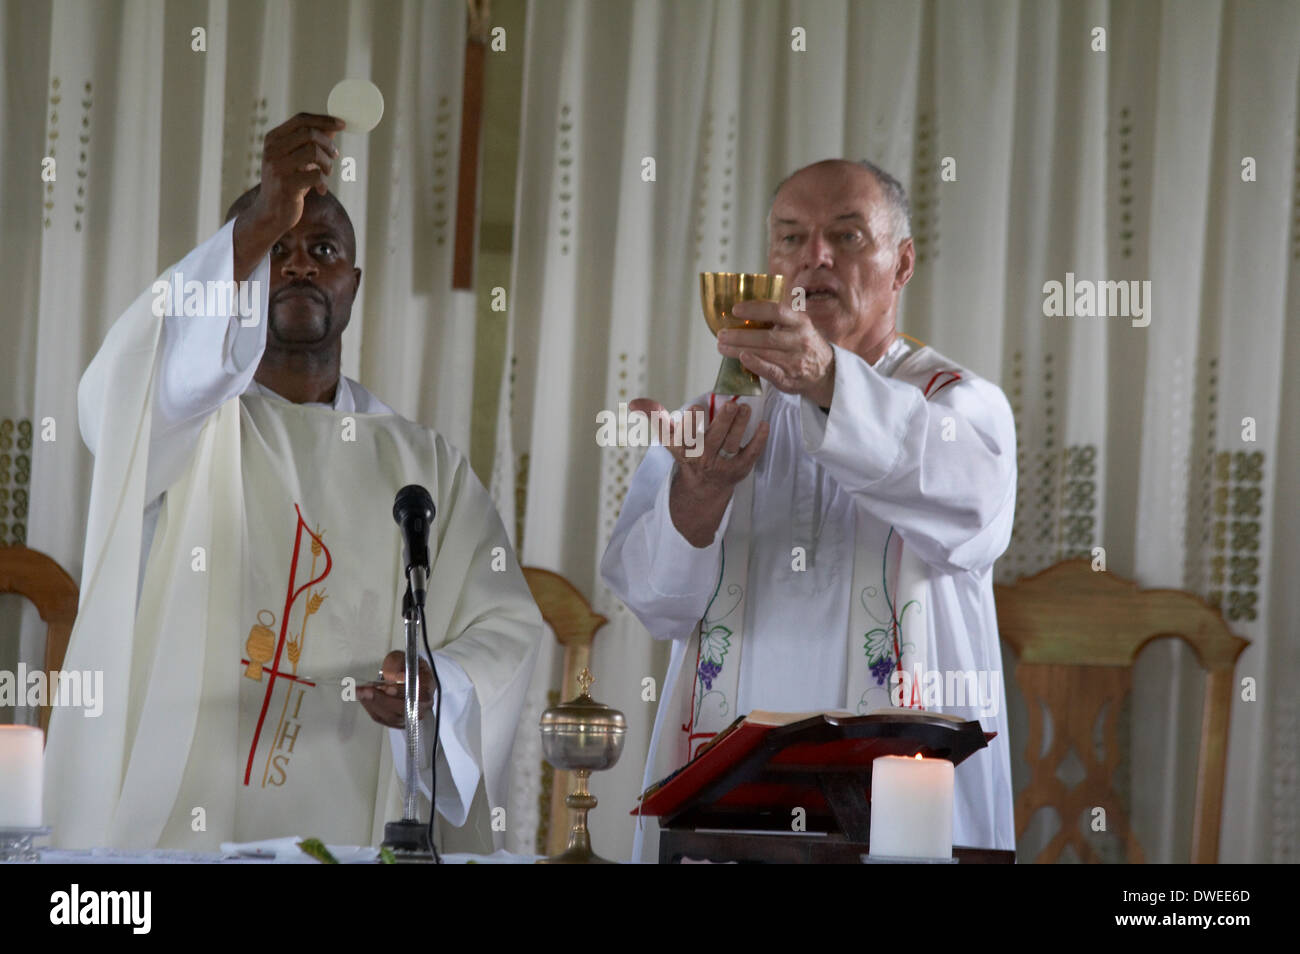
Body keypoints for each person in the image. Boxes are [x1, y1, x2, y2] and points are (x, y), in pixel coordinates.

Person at [44, 113, 541, 853]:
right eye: (276, 250)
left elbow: (507, 624)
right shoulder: (187, 420)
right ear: (235, 274)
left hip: (361, 822)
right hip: (183, 825)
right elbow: (114, 401)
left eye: (322, 248)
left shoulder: (421, 463)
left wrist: (442, 683)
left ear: (354, 282)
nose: (300, 264)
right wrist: (254, 224)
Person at [601, 159, 1017, 860]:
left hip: (897, 806)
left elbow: (976, 517)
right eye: (791, 239)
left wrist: (826, 380)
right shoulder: (723, 415)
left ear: (902, 263)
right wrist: (698, 498)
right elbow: (653, 604)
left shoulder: (955, 401)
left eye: (846, 237)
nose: (814, 258)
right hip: (730, 810)